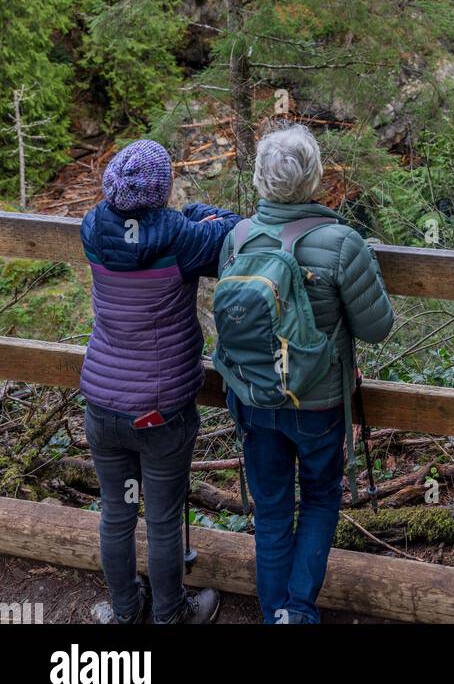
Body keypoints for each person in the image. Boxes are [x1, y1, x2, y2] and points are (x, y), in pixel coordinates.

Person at [222, 124, 393, 625]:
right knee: (319, 501)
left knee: (272, 511)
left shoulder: (236, 238)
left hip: (254, 399)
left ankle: (275, 611)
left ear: (258, 179)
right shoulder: (343, 242)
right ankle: (297, 610)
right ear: (316, 178)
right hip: (317, 405)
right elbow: (377, 327)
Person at [80, 139, 240, 625]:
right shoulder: (180, 237)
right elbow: (230, 237)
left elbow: (134, 234)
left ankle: (126, 610)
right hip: (160, 409)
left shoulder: (92, 226)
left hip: (104, 405)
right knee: (164, 517)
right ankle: (172, 614)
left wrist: (185, 217)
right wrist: (201, 216)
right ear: (162, 190)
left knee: (118, 509)